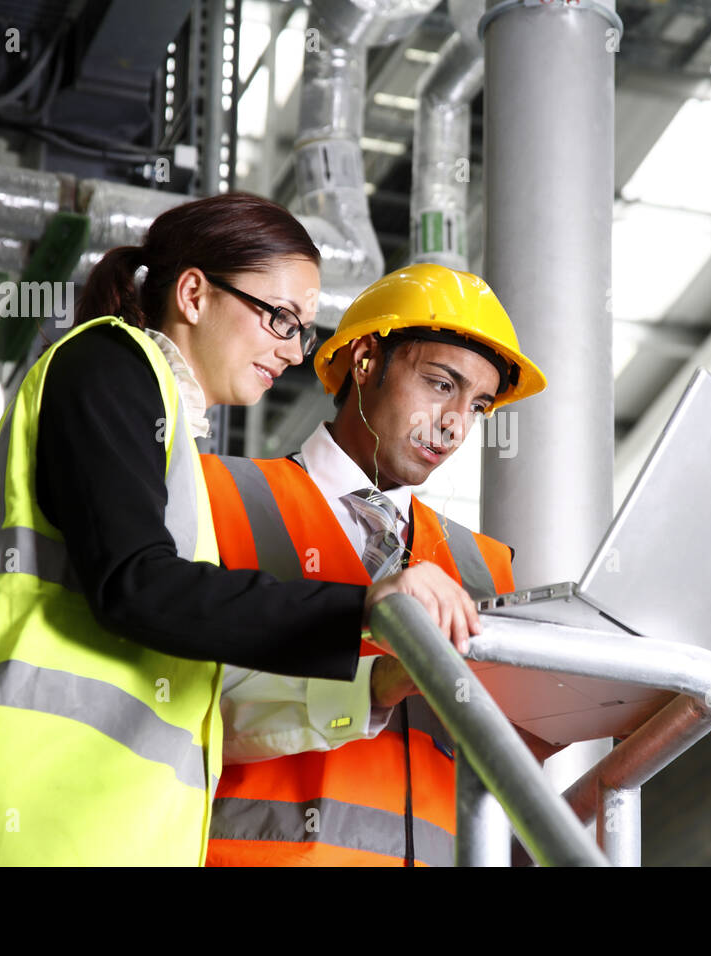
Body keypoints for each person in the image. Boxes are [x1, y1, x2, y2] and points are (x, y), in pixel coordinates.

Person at [0, 195, 477, 866]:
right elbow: (136, 588)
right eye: (278, 318)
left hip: (105, 831)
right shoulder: (107, 362)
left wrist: (374, 686)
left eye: (303, 330)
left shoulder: (178, 457)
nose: (291, 350)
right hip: (25, 822)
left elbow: (205, 690)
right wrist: (364, 603)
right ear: (193, 292)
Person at [201, 262, 553, 866]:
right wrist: (376, 685)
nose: (453, 426)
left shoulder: (485, 569)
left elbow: (497, 785)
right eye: (441, 384)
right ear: (365, 361)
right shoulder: (220, 498)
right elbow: (186, 719)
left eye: (479, 406)